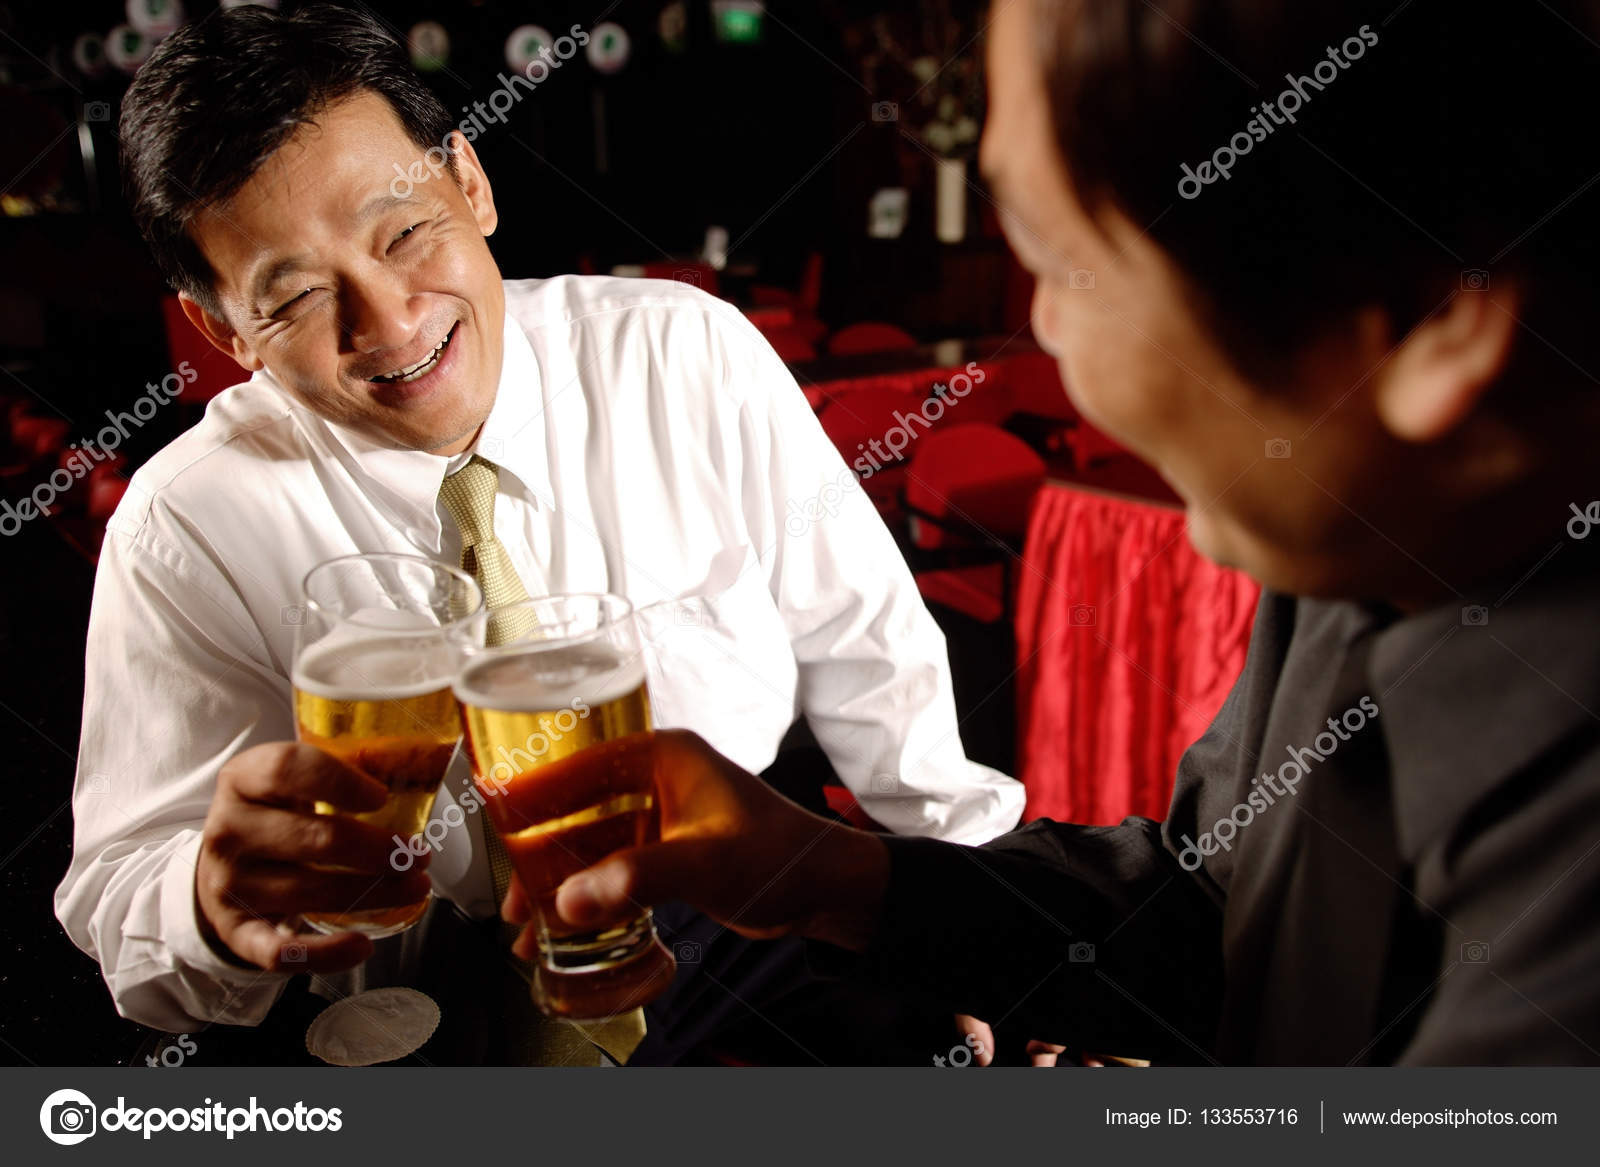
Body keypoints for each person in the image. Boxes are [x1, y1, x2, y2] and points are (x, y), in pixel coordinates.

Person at [517, 0, 1600, 1065]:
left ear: (1431, 318)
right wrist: (824, 872)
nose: (1040, 327)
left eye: (1063, 259)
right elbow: (1221, 921)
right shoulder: (1365, 540)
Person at [53, 4, 1021, 1050]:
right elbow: (120, 901)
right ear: (222, 328)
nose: (388, 322)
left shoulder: (682, 353)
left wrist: (983, 922)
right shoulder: (184, 519)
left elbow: (867, 646)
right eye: (293, 296)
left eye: (407, 233)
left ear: (469, 183)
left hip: (735, 902)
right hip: (426, 965)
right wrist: (206, 900)